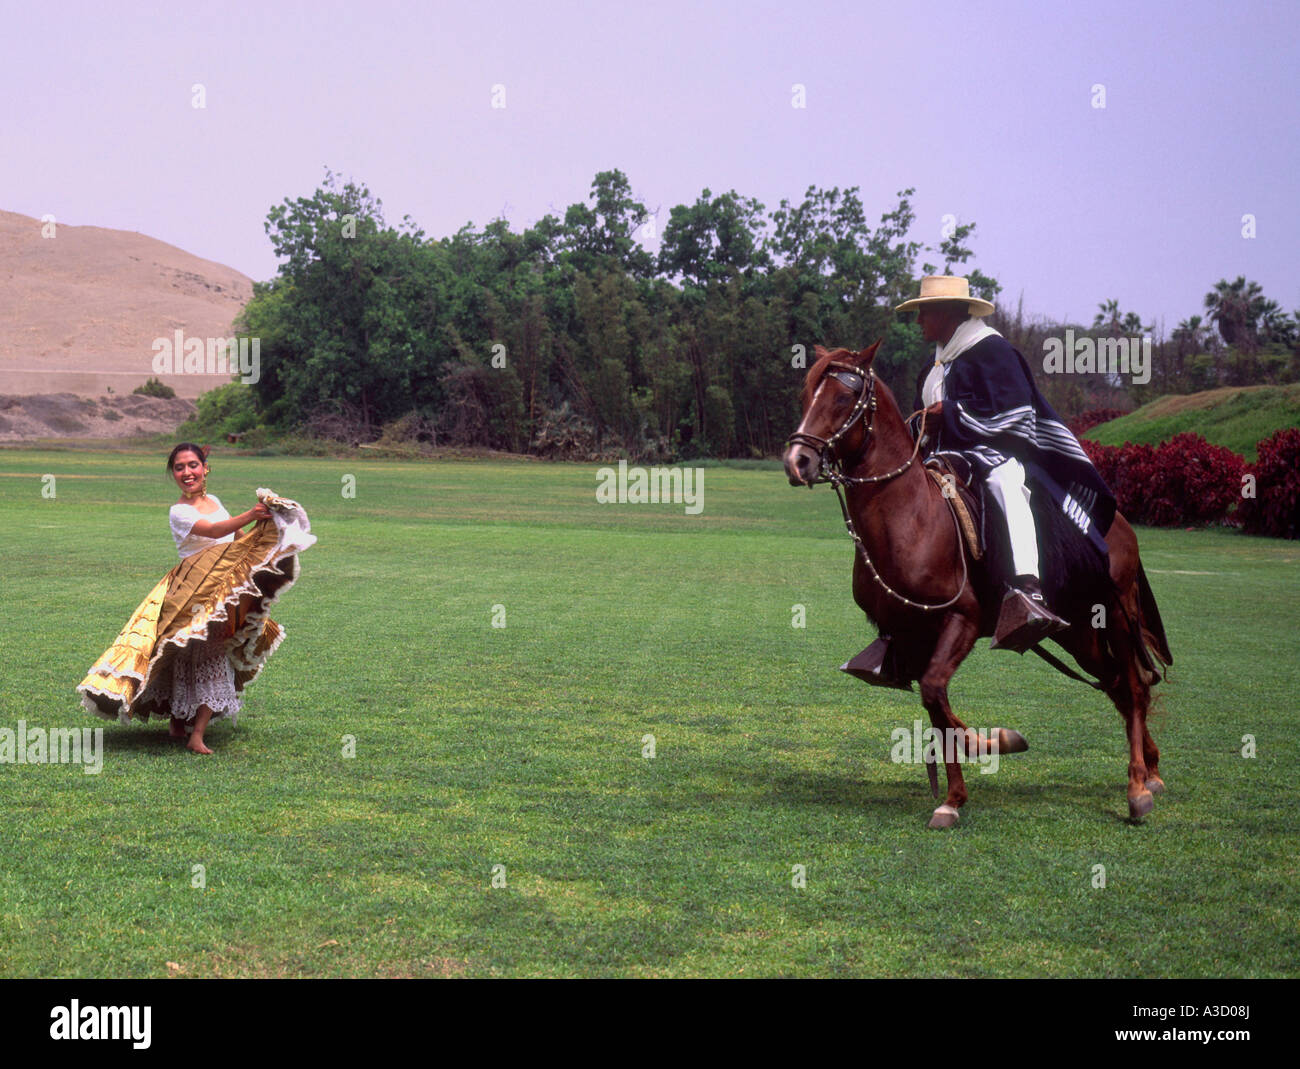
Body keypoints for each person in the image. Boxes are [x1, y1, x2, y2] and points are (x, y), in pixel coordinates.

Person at [896, 276, 1116, 652]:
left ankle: (1028, 590)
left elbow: (1016, 415)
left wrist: (950, 414)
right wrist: (923, 422)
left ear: (949, 313)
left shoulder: (993, 352)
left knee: (1005, 483)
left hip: (999, 455)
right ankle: (896, 619)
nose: (919, 321)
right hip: (945, 460)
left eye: (924, 312)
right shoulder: (935, 364)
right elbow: (926, 421)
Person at [78, 443, 316, 753]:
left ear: (206, 468)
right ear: (173, 474)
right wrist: (250, 514)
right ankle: (188, 729)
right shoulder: (178, 511)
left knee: (210, 650)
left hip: (223, 584)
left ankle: (190, 729)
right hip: (190, 589)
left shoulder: (214, 500)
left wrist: (261, 535)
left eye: (193, 465)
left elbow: (233, 538)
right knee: (186, 651)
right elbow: (215, 531)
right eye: (179, 467)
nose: (187, 472)